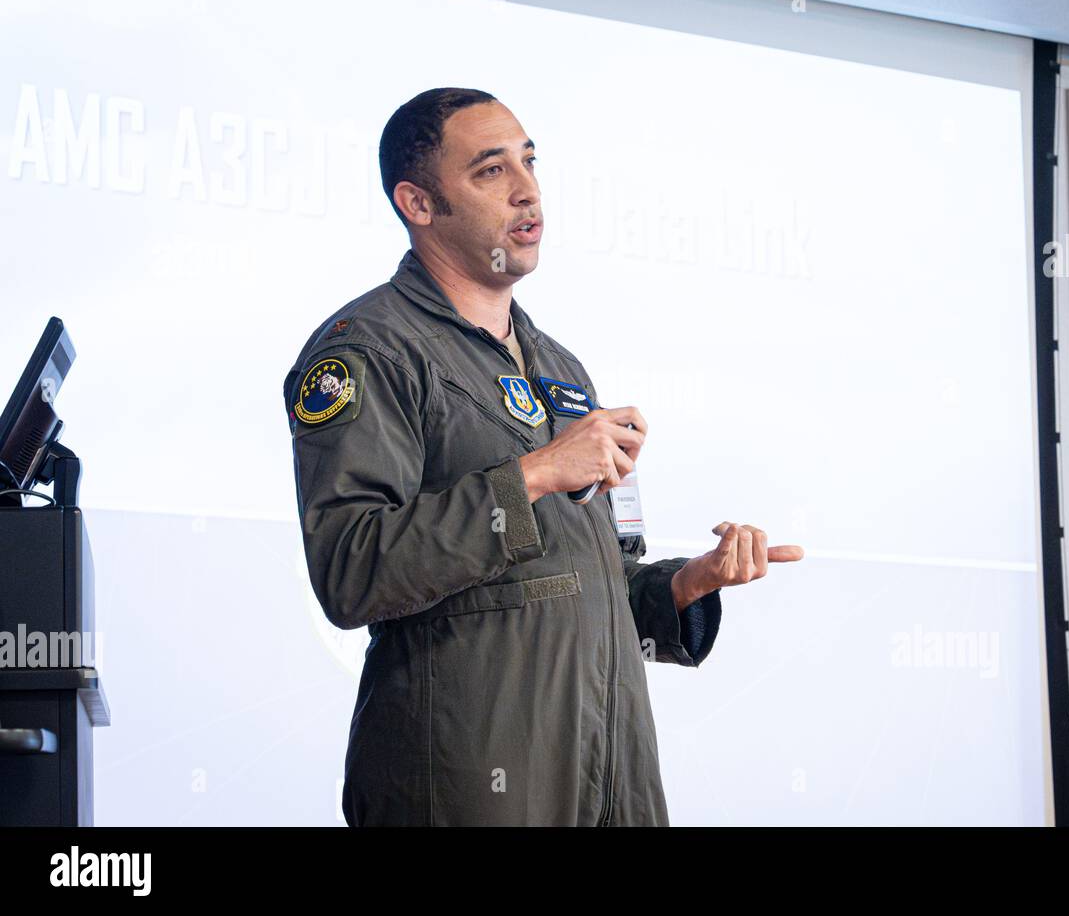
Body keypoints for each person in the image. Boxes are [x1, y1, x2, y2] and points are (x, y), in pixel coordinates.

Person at [282, 88, 804, 826]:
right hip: (464, 784)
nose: (528, 191)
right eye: (491, 171)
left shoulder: (559, 366)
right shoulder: (365, 351)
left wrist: (688, 583)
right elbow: (352, 570)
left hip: (608, 774)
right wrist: (532, 475)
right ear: (418, 203)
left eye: (529, 162)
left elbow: (598, 583)